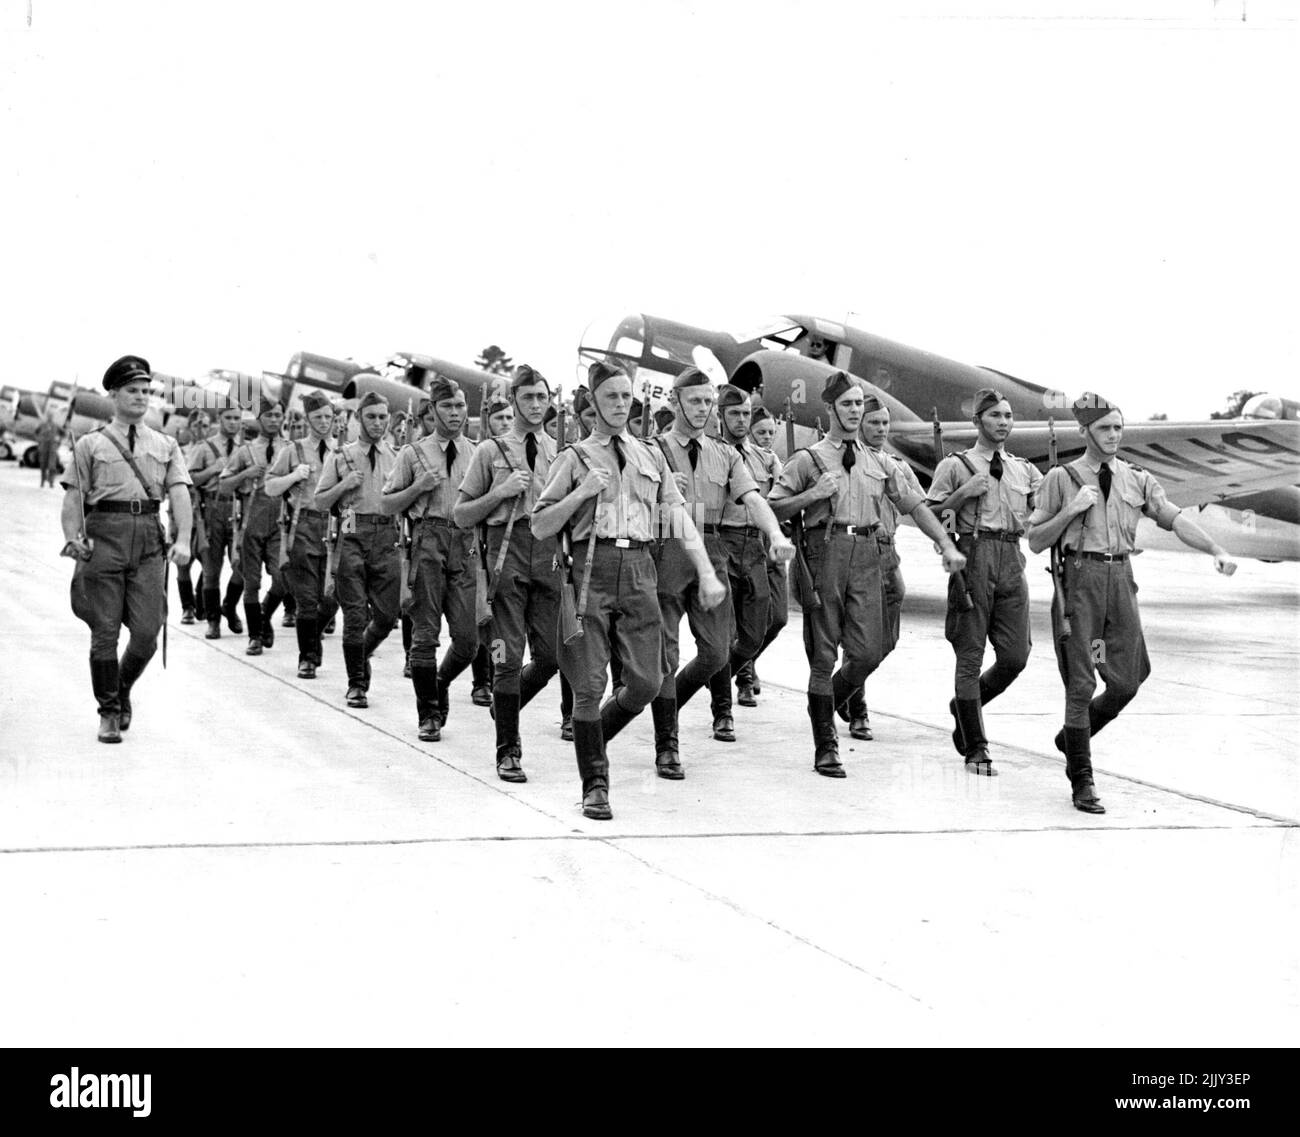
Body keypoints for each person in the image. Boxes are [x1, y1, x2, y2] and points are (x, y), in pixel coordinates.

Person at [532, 360, 727, 821]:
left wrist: (706, 571)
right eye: (610, 398)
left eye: (625, 397)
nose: (620, 405)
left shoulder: (649, 455)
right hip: (590, 570)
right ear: (593, 404)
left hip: (641, 568)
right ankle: (595, 785)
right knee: (588, 685)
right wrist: (581, 494)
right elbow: (540, 524)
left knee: (646, 682)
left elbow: (679, 517)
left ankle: (596, 736)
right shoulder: (574, 458)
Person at [1026, 392, 1236, 814]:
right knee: (1082, 683)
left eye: (1119, 427)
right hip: (1079, 582)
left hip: (1120, 580)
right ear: (1084, 432)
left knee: (1127, 681)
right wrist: (1070, 510)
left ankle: (1072, 738)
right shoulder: (1061, 479)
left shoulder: (1137, 478)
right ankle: (1082, 779)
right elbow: (1034, 541)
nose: (1114, 435)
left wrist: (1215, 548)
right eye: (1105, 428)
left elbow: (1173, 519)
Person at [769, 372, 966, 777]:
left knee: (869, 651)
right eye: (848, 405)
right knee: (823, 656)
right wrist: (812, 495)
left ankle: (828, 702)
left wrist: (945, 544)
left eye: (860, 404)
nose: (856, 411)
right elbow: (773, 509)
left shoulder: (881, 461)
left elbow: (915, 505)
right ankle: (826, 744)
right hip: (825, 552)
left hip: (868, 557)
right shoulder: (808, 460)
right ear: (830, 409)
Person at [60, 355, 192, 743]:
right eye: (132, 391)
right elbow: (72, 501)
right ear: (113, 394)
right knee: (104, 631)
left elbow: (180, 494)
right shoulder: (90, 444)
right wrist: (72, 537)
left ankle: (120, 687)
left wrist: (183, 538)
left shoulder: (166, 444)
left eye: (145, 391)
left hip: (149, 538)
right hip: (104, 536)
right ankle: (109, 712)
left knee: (147, 634)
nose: (140, 398)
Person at [926, 388, 1041, 775]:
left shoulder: (1025, 469)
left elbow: (1044, 507)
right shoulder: (955, 465)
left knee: (1015, 656)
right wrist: (961, 494)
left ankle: (964, 706)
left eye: (1008, 416)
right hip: (972, 556)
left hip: (1011, 558)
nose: (1004, 422)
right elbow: (930, 516)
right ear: (977, 422)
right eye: (995, 416)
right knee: (970, 655)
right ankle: (976, 746)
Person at [454, 365, 561, 782]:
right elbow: (462, 515)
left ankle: (506, 704)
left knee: (552, 658)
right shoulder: (490, 451)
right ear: (513, 401)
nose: (536, 405)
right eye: (528, 397)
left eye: (542, 397)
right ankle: (508, 750)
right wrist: (499, 492)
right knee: (506, 657)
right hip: (505, 555)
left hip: (549, 555)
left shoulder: (561, 451)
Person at [381, 378, 478, 742]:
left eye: (459, 406)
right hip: (427, 539)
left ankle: (439, 682)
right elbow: (387, 504)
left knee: (468, 640)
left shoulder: (477, 452)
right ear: (432, 411)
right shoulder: (412, 453)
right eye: (447, 407)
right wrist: (417, 488)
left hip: (465, 543)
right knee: (424, 637)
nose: (455, 413)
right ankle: (429, 714)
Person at [702, 384, 796, 748]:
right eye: (734, 414)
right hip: (721, 542)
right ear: (721, 417)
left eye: (746, 413)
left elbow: (775, 499)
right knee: (724, 635)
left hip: (754, 546)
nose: (741, 420)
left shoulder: (762, 458)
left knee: (757, 632)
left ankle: (724, 674)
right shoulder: (710, 454)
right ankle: (722, 711)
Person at [838, 392, 924, 741]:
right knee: (859, 638)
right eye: (873, 422)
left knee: (886, 641)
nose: (880, 429)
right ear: (859, 424)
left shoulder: (897, 466)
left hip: (888, 551)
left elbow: (923, 504)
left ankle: (843, 687)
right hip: (856, 549)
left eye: (885, 423)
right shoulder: (848, 461)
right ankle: (858, 710)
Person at [314, 391, 399, 707]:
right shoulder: (340, 456)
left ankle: (360, 652)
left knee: (388, 615)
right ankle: (357, 684)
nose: (378, 423)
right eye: (371, 416)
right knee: (353, 615)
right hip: (351, 535)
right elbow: (321, 501)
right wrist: (344, 484)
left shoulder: (398, 456)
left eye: (382, 417)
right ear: (358, 419)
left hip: (388, 536)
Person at [265, 391, 340, 679]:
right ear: (308, 419)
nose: (323, 422)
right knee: (307, 600)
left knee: (333, 597)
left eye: (328, 416)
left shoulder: (343, 450)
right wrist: (294, 476)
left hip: (336, 528)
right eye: (318, 417)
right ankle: (307, 657)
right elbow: (271, 487)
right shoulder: (293, 450)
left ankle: (313, 639)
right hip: (303, 526)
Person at [219, 401, 288, 655]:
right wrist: (246, 474)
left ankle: (263, 614)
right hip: (250, 521)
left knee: (283, 579)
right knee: (252, 583)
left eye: (278, 415)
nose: (273, 420)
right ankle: (255, 636)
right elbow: (224, 485)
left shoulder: (291, 449)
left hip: (280, 522)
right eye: (268, 415)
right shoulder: (245, 451)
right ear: (259, 419)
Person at [734, 405, 786, 702]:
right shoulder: (740, 460)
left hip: (772, 546)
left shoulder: (774, 462)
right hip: (748, 543)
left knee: (777, 618)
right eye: (761, 432)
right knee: (745, 618)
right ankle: (743, 678)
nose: (766, 438)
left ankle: (748, 659)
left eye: (770, 433)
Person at [187, 398, 247, 640]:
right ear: (219, 419)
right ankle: (213, 620)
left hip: (239, 509)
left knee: (243, 566)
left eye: (237, 419)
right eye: (228, 418)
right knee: (211, 570)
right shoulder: (204, 447)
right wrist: (214, 469)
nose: (233, 423)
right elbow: (190, 480)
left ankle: (230, 606)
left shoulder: (247, 448)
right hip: (212, 509)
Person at [36, 413, 61, 488]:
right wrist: (39, 441)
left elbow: (63, 433)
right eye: (49, 416)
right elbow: (36, 433)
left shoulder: (56, 425)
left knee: (52, 467)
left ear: (53, 417)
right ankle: (42, 482)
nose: (50, 417)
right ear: (47, 417)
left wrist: (58, 443)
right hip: (44, 448)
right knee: (43, 466)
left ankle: (51, 482)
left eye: (51, 416)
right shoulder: (42, 425)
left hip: (52, 449)